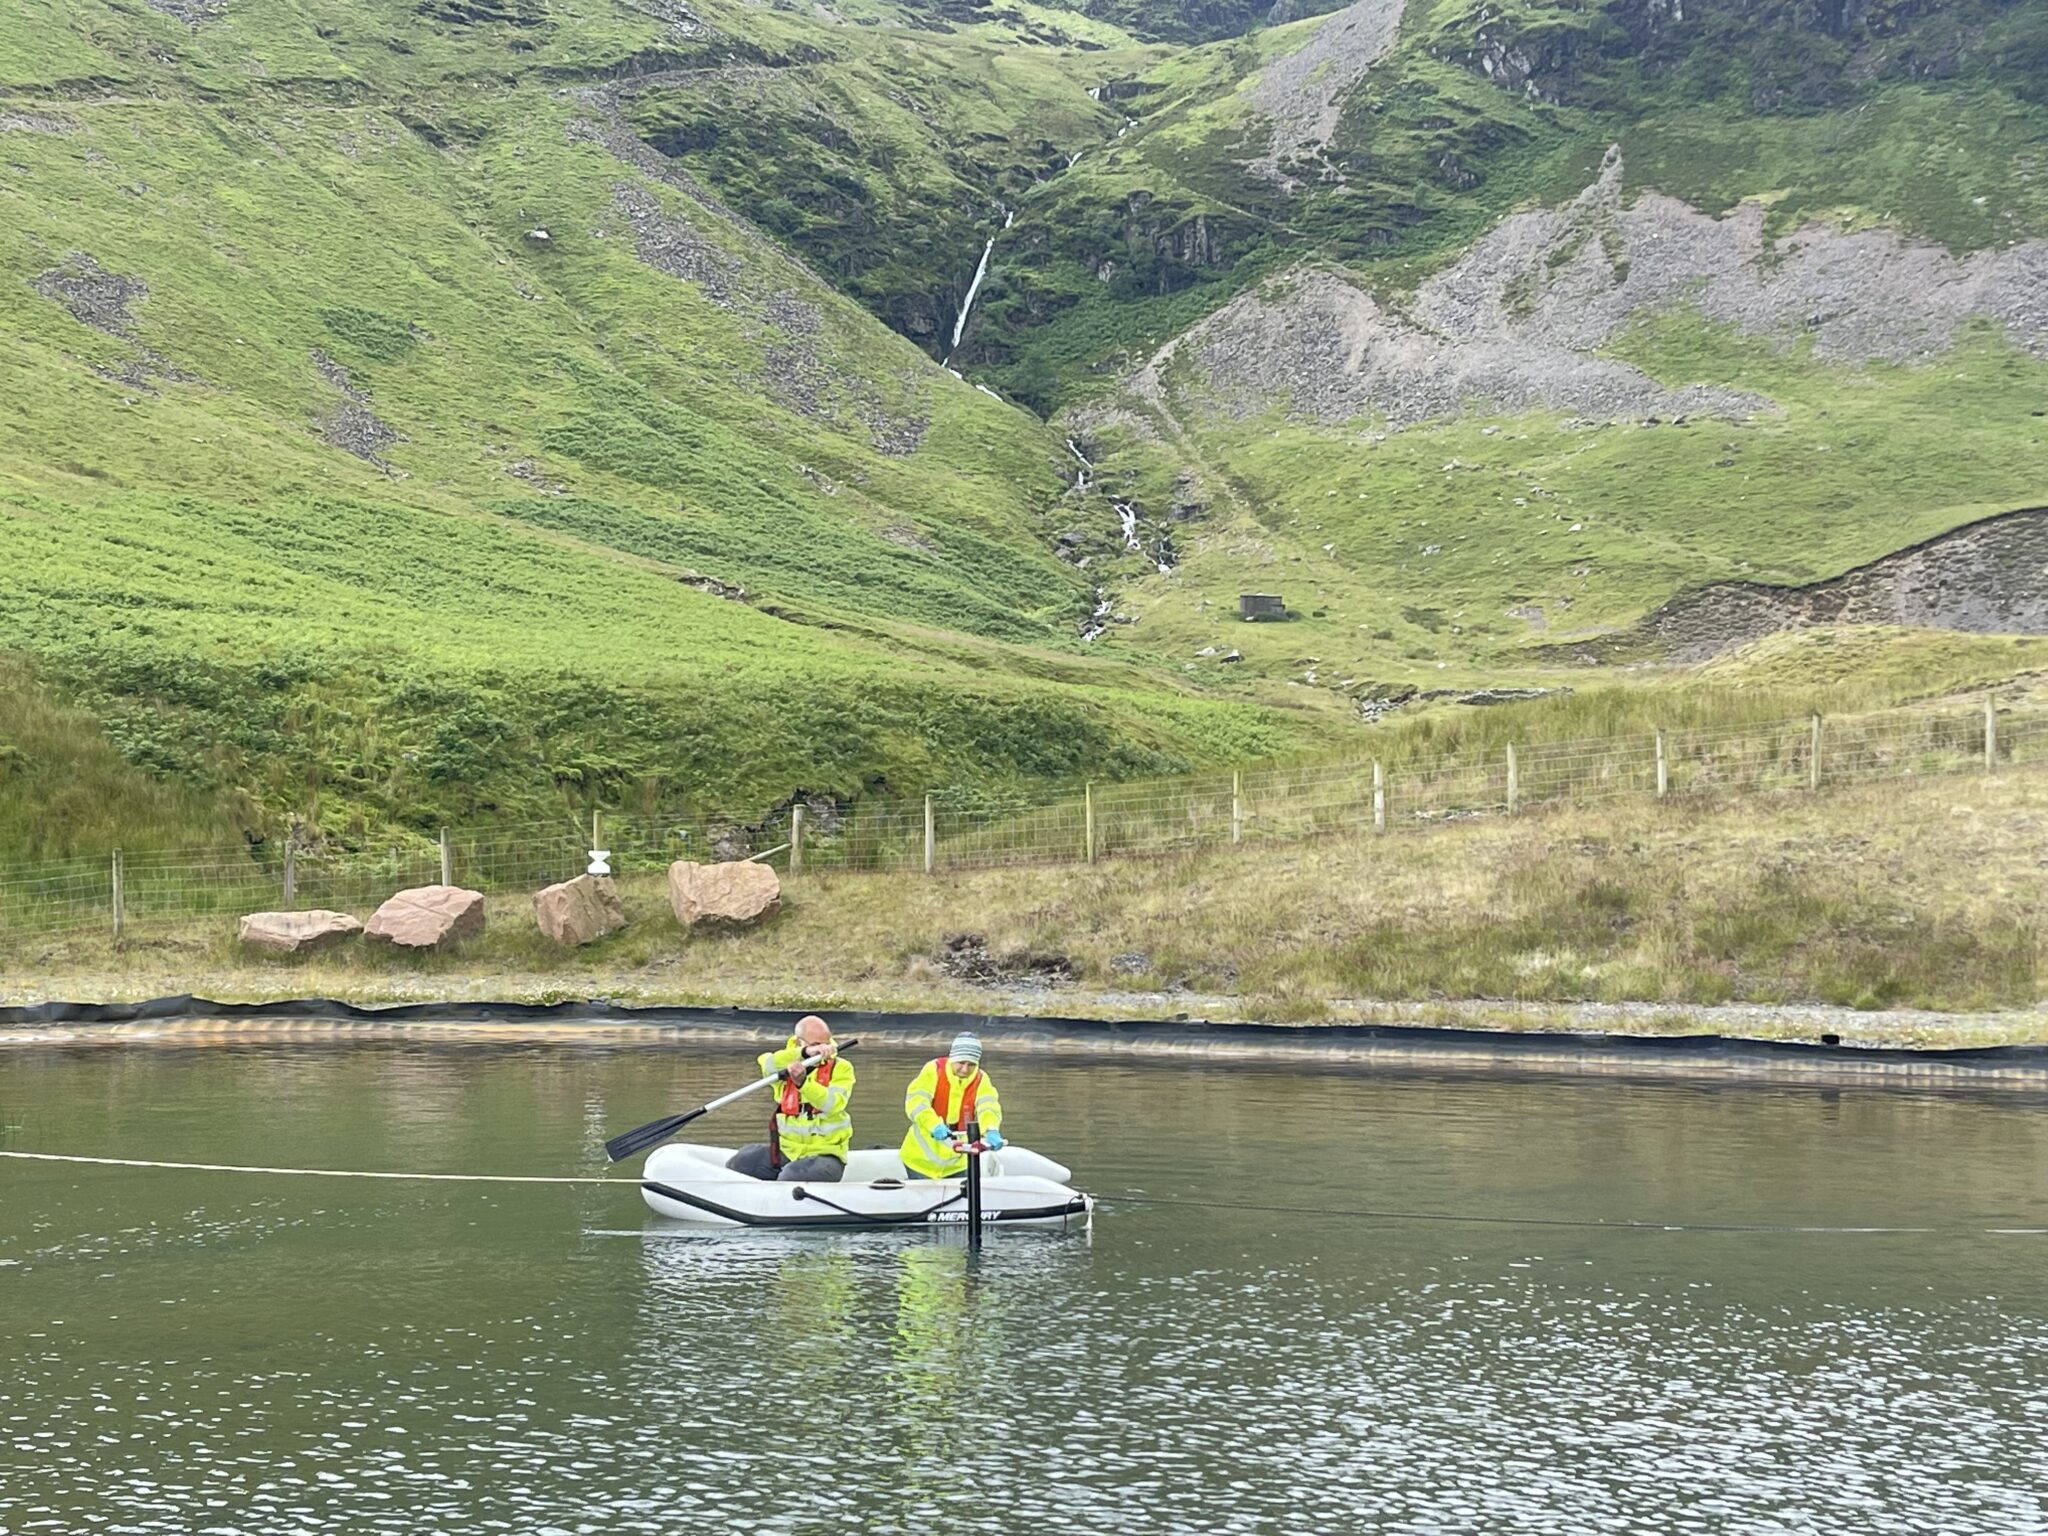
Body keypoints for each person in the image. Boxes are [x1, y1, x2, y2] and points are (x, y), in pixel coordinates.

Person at [726, 1014, 853, 1182]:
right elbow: (768, 1064)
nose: (821, 1050)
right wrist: (803, 1053)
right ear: (799, 1042)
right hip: (788, 1151)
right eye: (815, 1045)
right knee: (741, 1163)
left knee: (791, 1176)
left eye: (825, 1044)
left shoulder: (841, 1068)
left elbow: (832, 1104)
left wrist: (803, 1084)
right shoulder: (784, 1063)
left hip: (825, 1155)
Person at [900, 1032, 1003, 1180]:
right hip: (921, 1161)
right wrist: (934, 1125)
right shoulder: (933, 1070)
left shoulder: (981, 1079)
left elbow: (988, 1107)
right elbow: (916, 1103)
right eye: (961, 1063)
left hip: (959, 1162)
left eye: (971, 1065)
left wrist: (991, 1129)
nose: (965, 1070)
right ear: (952, 1058)